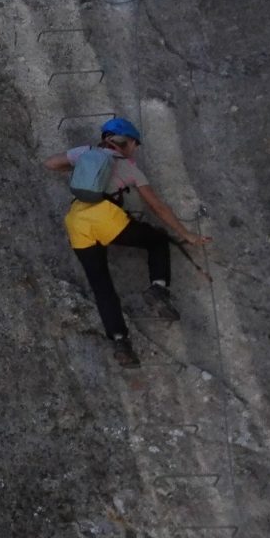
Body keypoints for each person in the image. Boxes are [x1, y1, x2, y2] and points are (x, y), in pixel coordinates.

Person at [43, 116, 211, 368]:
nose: (136, 150)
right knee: (156, 240)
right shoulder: (130, 167)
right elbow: (157, 207)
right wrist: (186, 234)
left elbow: (51, 163)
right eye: (136, 145)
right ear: (129, 142)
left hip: (76, 221)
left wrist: (81, 167)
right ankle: (158, 290)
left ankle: (121, 342)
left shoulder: (86, 152)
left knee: (102, 287)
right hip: (105, 217)